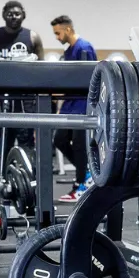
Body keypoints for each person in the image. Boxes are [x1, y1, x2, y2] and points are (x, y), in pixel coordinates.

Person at [0, 0, 46, 152]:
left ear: (23, 15)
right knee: (5, 138)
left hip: (26, 96)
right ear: (4, 15)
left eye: (17, 14)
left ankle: (30, 174)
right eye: (10, 14)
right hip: (1, 96)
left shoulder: (33, 37)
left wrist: (40, 94)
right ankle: (4, 173)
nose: (13, 17)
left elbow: (42, 68)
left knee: (27, 138)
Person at [50, 15, 97, 202]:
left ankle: (81, 184)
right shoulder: (69, 50)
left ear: (68, 29)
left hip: (83, 104)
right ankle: (85, 173)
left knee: (79, 145)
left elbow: (91, 77)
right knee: (59, 139)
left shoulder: (84, 48)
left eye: (58, 33)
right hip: (70, 104)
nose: (56, 37)